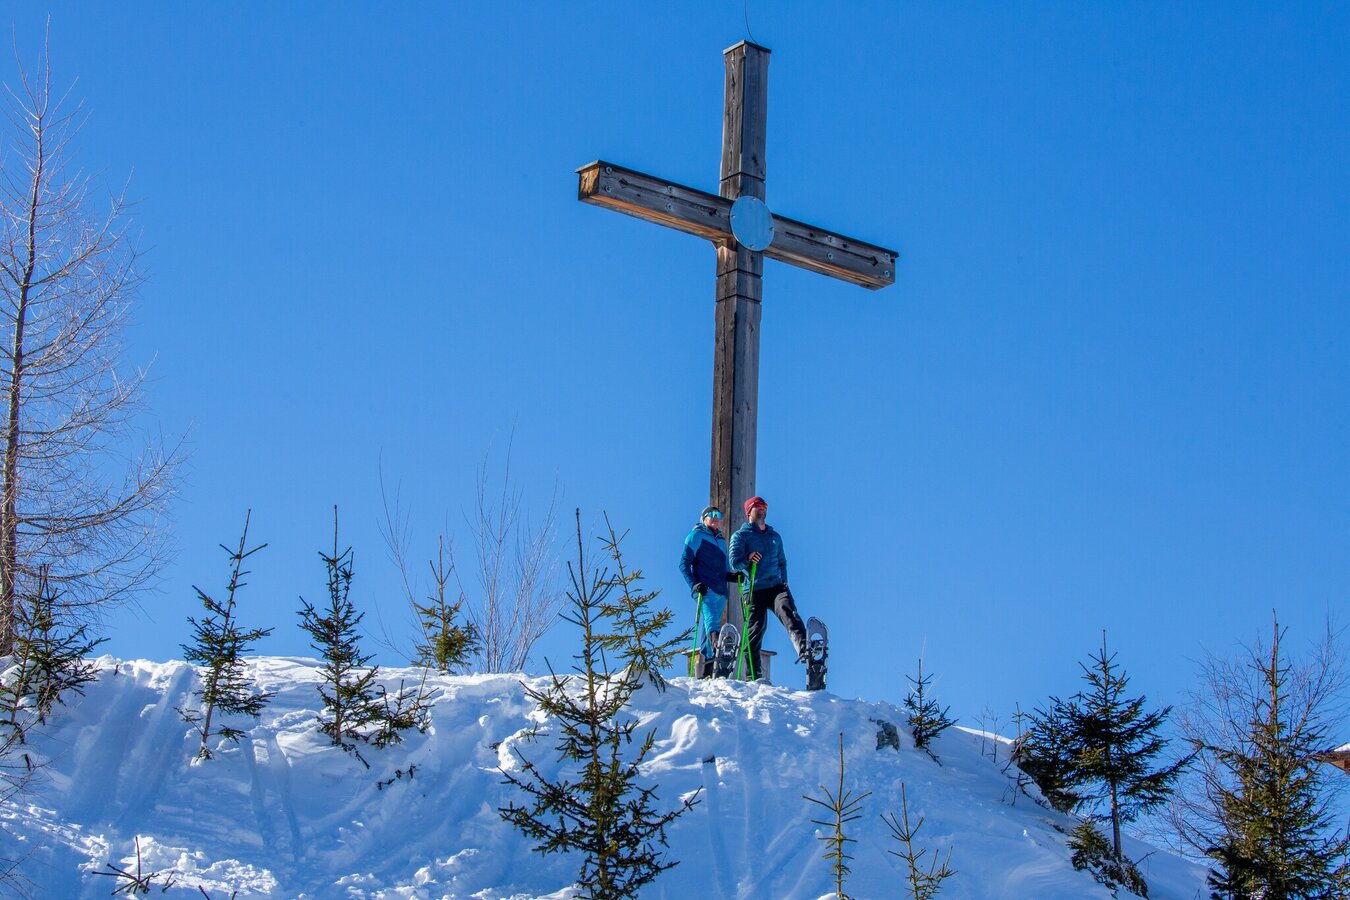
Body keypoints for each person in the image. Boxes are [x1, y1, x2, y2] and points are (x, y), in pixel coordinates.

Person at [728, 495, 808, 681]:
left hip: (776, 586)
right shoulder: (741, 536)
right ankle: (753, 675)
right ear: (749, 512)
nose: (762, 509)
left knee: (789, 612)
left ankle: (805, 650)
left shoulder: (774, 536)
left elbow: (782, 561)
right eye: (757, 506)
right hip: (754, 588)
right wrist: (748, 558)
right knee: (755, 630)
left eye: (764, 506)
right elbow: (734, 562)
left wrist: (785, 580)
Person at [679, 505, 731, 678]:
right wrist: (694, 584)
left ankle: (705, 669)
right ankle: (719, 648)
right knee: (711, 620)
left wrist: (732, 576)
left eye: (719, 515)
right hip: (705, 587)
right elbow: (684, 564)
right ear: (704, 518)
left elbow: (725, 568)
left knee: (710, 624)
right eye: (712, 515)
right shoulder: (696, 536)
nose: (716, 517)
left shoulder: (722, 541)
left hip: (720, 589)